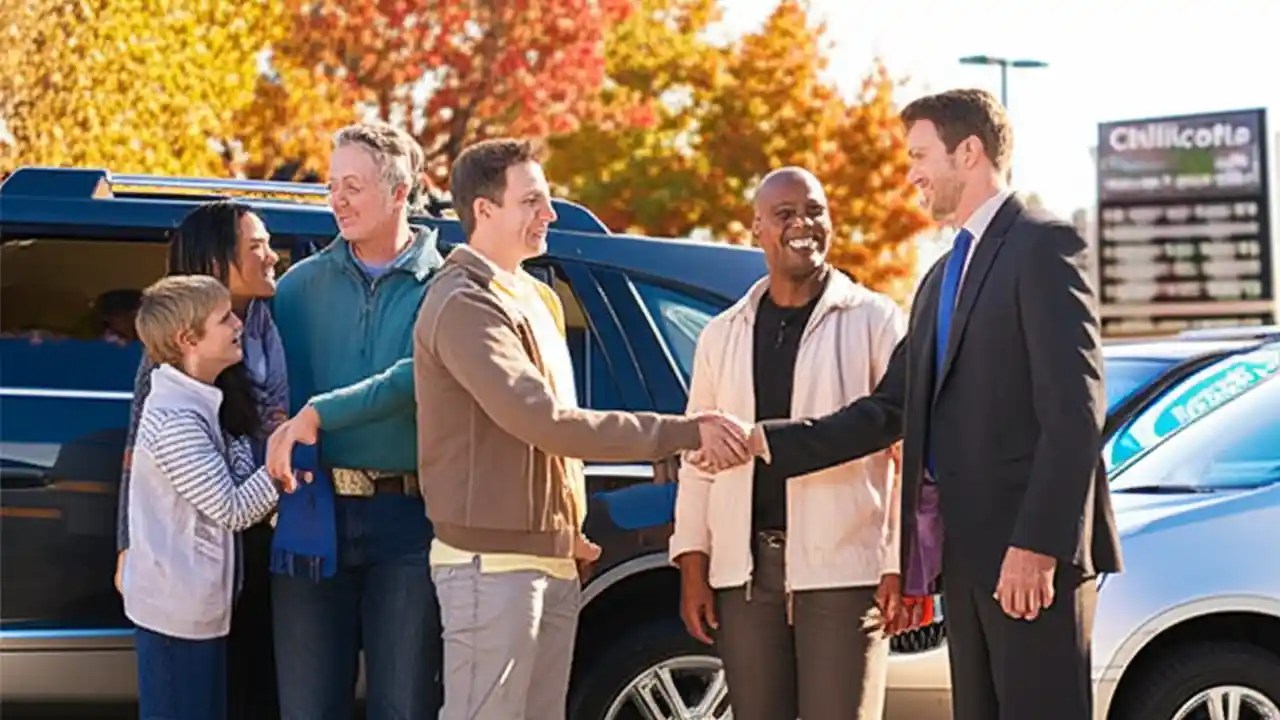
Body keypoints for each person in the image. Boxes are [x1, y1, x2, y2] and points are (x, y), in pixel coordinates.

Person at [699, 89, 1123, 720]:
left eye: (921, 155)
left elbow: (1076, 410)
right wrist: (765, 440)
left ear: (970, 153)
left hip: (1030, 561)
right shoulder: (937, 280)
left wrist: (1038, 545)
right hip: (968, 561)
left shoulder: (1043, 245)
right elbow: (887, 410)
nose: (912, 173)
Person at [413, 138, 749, 720]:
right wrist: (685, 432)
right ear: (483, 211)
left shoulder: (535, 297)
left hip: (550, 560)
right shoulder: (464, 304)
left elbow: (549, 439)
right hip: (490, 569)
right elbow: (544, 423)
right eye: (532, 202)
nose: (549, 214)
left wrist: (564, 529)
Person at [670, 167, 907, 720]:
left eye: (815, 211)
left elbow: (903, 446)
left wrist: (898, 563)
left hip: (846, 570)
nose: (803, 224)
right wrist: (693, 564)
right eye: (785, 215)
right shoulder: (721, 334)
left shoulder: (875, 319)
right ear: (757, 229)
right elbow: (697, 459)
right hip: (744, 573)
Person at [264, 122, 444, 720]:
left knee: (405, 706)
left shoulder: (447, 289)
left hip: (410, 523)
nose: (337, 199)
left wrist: (322, 411)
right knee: (310, 709)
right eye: (332, 185)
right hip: (312, 513)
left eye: (354, 186)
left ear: (401, 191)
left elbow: (418, 378)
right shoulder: (295, 288)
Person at [116, 200, 287, 720]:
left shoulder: (266, 329)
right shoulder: (173, 371)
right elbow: (139, 453)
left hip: (244, 559)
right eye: (255, 246)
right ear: (216, 263)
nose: (272, 256)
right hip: (199, 567)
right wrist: (127, 542)